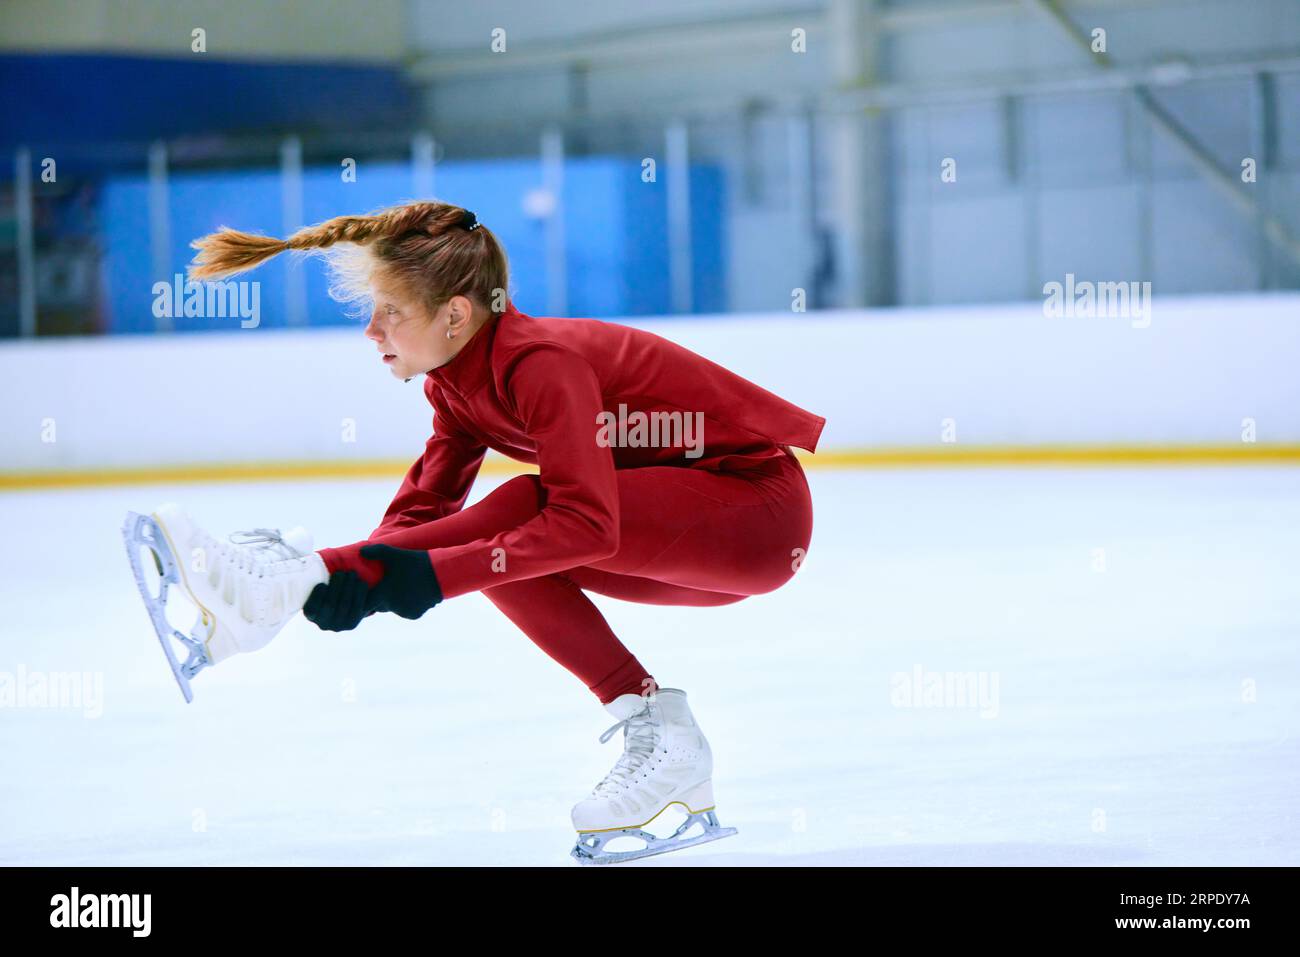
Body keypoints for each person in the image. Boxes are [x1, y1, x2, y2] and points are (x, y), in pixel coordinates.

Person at [149, 199, 824, 862]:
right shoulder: (454, 382)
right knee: (504, 549)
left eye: (391, 312)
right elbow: (420, 521)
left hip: (756, 515)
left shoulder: (542, 364)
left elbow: (583, 523)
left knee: (526, 509)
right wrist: (348, 578)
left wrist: (390, 573)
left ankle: (273, 587)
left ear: (456, 315)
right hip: (673, 539)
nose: (371, 331)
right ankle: (662, 732)